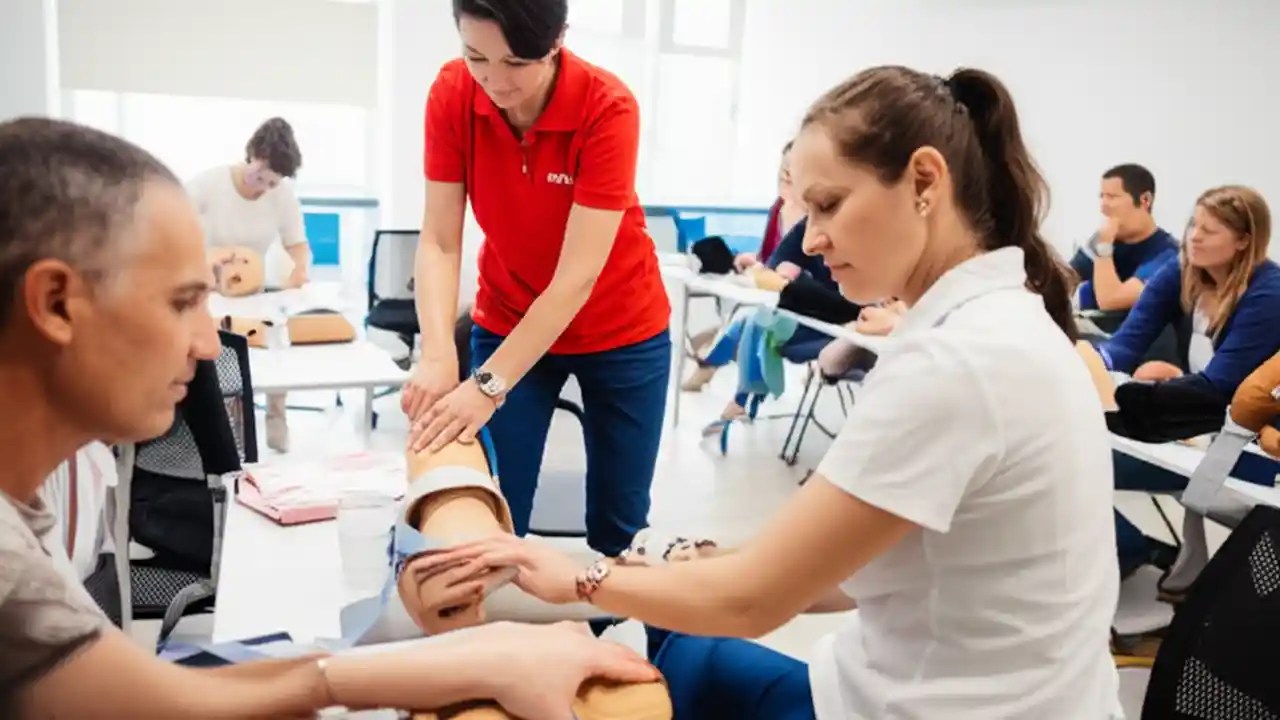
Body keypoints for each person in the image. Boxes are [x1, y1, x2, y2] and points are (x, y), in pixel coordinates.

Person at [424, 67, 1123, 719]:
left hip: (940, 704)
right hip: (1016, 694)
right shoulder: (1010, 320)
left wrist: (580, 578)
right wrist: (703, 563)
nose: (810, 240)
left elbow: (752, 602)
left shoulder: (954, 362)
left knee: (658, 661)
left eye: (828, 206)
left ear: (924, 181)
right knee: (675, 646)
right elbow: (848, 562)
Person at [0, 117, 659, 720]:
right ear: (56, 303)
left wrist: (455, 658)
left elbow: (122, 688)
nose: (207, 345)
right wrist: (460, 662)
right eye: (181, 302)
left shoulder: (51, 488)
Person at [402, 0, 671, 559]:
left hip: (621, 327)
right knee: (493, 507)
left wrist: (486, 386)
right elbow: (440, 240)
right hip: (509, 317)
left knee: (620, 528)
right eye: (476, 56)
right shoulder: (453, 92)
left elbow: (576, 278)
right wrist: (437, 354)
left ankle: (623, 612)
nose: (495, 81)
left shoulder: (607, 106)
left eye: (517, 62)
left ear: (557, 40)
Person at [1077, 185, 1280, 576]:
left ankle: (1131, 552)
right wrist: (1087, 366)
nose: (1194, 237)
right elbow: (1125, 345)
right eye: (1192, 226)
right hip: (1194, 431)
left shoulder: (1270, 295)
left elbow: (1217, 389)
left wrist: (1123, 393)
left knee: (1082, 461)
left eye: (1209, 230)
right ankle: (1137, 551)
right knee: (1076, 454)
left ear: (1243, 241)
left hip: (1247, 451)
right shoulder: (1181, 270)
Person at [187, 117, 313, 452]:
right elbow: (175, 222)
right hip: (213, 291)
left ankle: (276, 420)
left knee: (277, 345)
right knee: (224, 355)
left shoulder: (281, 195)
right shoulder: (210, 184)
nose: (263, 187)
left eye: (272, 183)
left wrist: (300, 269)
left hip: (255, 291)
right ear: (253, 153)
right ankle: (229, 433)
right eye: (260, 176)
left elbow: (297, 243)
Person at [1069, 164, 1179, 313]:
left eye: (1112, 197)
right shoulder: (1105, 239)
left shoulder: (1168, 255)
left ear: (1145, 200)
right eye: (1102, 196)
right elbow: (1063, 280)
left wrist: (1104, 247)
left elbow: (1111, 301)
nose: (1103, 207)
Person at [732, 141, 806, 272]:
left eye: (794, 168)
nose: (785, 174)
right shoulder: (778, 208)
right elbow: (767, 259)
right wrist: (752, 260)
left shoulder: (815, 220)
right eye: (783, 166)